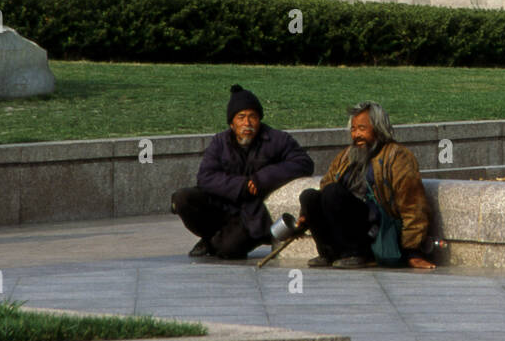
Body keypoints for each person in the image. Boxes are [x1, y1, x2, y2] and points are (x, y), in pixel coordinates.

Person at [171, 85, 314, 260]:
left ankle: (213, 242)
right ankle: (210, 238)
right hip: (223, 205)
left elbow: (303, 162)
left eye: (252, 117)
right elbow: (205, 177)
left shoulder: (277, 139)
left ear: (259, 120)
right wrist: (241, 186)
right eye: (241, 117)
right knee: (182, 198)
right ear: (232, 123)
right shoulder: (219, 142)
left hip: (253, 214)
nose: (247, 123)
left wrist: (263, 179)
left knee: (228, 251)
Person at [297, 103, 435, 271]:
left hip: (375, 229)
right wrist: (306, 214)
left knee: (333, 193)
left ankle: (356, 253)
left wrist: (413, 252)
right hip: (345, 221)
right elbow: (326, 185)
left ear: (378, 128)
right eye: (353, 129)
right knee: (309, 196)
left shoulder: (397, 156)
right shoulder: (347, 155)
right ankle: (329, 253)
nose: (356, 135)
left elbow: (413, 205)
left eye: (362, 129)